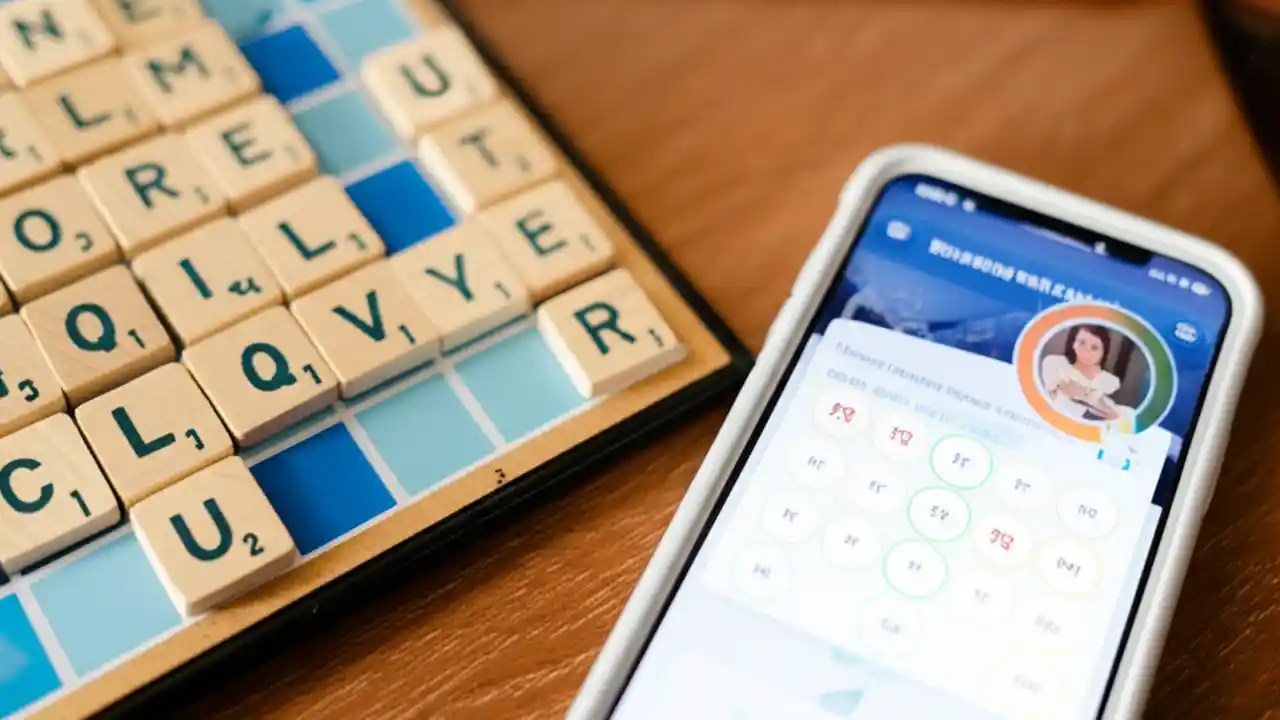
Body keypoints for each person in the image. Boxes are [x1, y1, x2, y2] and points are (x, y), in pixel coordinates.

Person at [1040, 324, 1125, 421]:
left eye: (1094, 348)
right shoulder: (1056, 362)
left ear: (1103, 352)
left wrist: (1085, 394)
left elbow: (1112, 414)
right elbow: (1054, 391)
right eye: (1082, 343)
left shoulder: (1108, 380)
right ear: (1073, 342)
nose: (1087, 351)